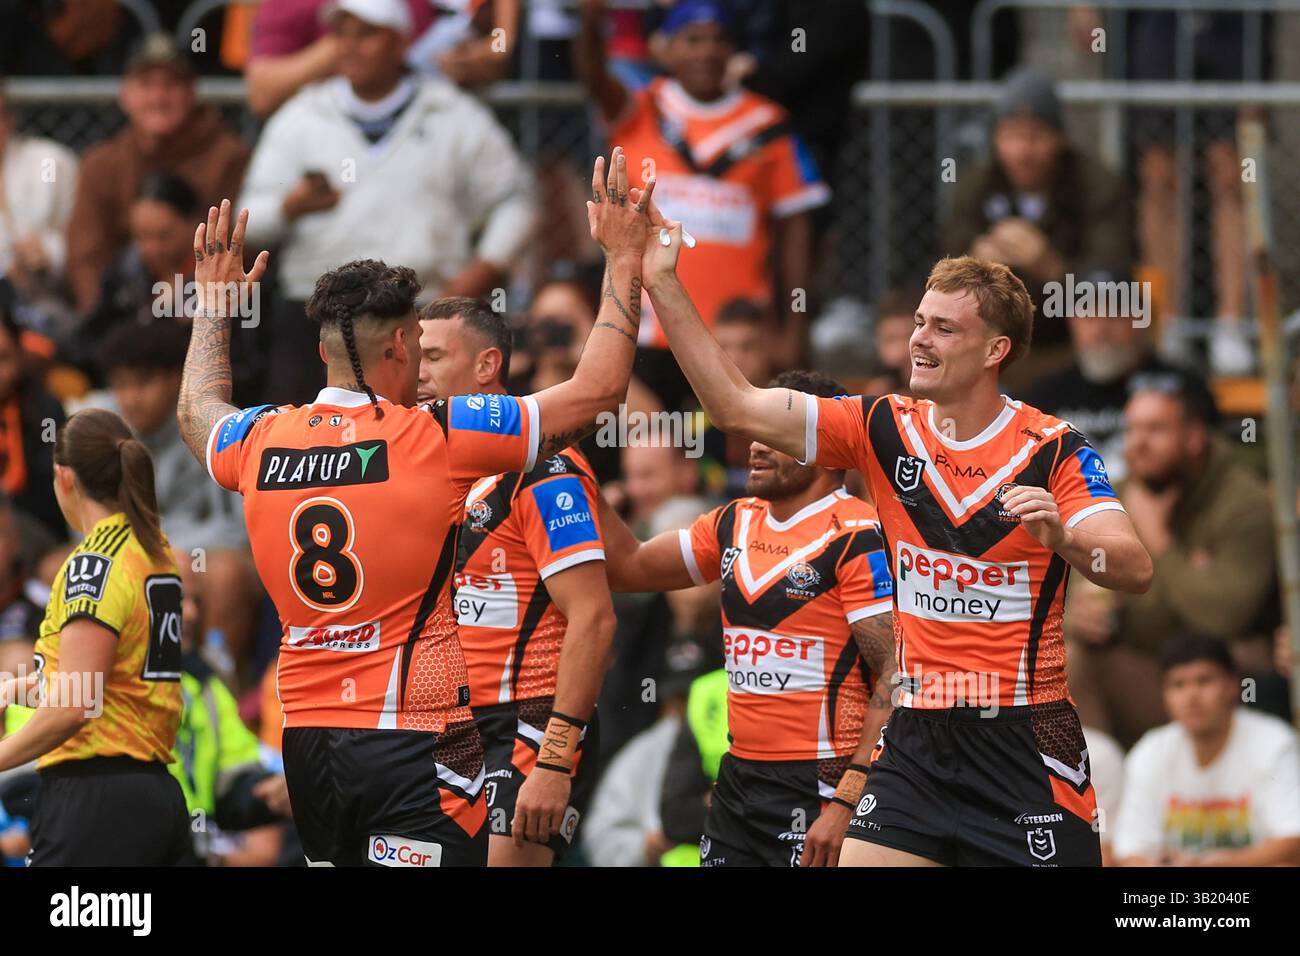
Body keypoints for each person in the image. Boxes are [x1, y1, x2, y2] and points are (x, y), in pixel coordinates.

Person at [177, 150, 658, 865]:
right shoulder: (434, 437)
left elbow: (196, 409)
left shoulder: (260, 440)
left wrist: (214, 307)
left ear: (320, 348)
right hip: (415, 736)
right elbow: (597, 394)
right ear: (402, 344)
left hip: (307, 739)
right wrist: (624, 259)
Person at [638, 201, 1154, 865]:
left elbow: (1133, 567)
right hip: (917, 740)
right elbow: (733, 404)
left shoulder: (1053, 449)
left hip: (1021, 739)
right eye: (918, 322)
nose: (919, 339)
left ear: (996, 349)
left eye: (943, 328)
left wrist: (1066, 539)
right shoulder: (881, 427)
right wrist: (661, 279)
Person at [599, 369, 896, 867]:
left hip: (820, 782)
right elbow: (627, 567)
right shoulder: (733, 520)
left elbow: (896, 671)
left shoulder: (858, 534)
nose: (755, 445)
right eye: (753, 430)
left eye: (774, 433)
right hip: (738, 780)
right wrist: (569, 471)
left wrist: (848, 798)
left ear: (825, 442)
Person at [239, 0, 536, 404]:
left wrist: (482, 271)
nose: (350, 46)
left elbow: (517, 199)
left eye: (367, 34)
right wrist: (291, 207)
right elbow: (248, 222)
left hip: (420, 317)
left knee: (421, 448)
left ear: (400, 43)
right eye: (341, 33)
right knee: (311, 452)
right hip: (316, 322)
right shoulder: (300, 117)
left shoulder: (451, 114)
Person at [417, 296, 616, 866]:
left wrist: (554, 760)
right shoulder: (435, 460)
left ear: (486, 366)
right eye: (415, 358)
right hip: (447, 722)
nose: (420, 373)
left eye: (433, 356)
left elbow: (595, 616)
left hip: (527, 718)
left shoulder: (543, 468)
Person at [577, 0, 829, 403]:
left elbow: (795, 228)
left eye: (718, 39)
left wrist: (792, 327)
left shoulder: (767, 124)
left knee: (725, 448)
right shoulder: (642, 107)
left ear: (733, 50)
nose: (707, 51)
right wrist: (591, 22)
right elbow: (593, 78)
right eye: (693, 39)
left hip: (733, 333)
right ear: (667, 49)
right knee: (654, 450)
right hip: (646, 326)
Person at [0, 408, 189, 865]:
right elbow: (113, 676)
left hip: (95, 800)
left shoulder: (93, 563)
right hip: (155, 795)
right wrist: (22, 688)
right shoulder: (154, 553)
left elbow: (76, 704)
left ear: (63, 476)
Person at [1068, 371, 1275, 747]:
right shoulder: (1118, 496)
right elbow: (1075, 587)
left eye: (1155, 430)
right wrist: (1078, 615)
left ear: (1194, 438)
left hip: (1223, 680)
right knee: (1071, 657)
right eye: (1132, 430)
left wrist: (1160, 542)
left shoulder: (1245, 504)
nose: (1138, 444)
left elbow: (1223, 618)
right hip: (1149, 671)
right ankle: (1097, 787)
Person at [96, 319, 262, 681]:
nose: (130, 398)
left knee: (226, 574)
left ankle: (218, 694)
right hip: (133, 551)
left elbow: (240, 526)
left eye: (143, 383)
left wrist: (172, 552)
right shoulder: (102, 428)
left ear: (175, 380)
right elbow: (87, 522)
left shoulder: (215, 425)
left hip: (205, 559)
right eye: (120, 385)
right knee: (55, 566)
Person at [941, 68, 1134, 356]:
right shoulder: (976, 186)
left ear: (1060, 138)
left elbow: (1113, 280)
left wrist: (1050, 266)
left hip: (1070, 343)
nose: (1023, 152)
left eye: (1035, 137)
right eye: (1011, 137)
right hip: (990, 343)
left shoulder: (1096, 186)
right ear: (995, 140)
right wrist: (973, 264)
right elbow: (940, 266)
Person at [65, 34, 249, 313]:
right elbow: (85, 256)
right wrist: (102, 323)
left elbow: (238, 248)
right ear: (125, 96)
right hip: (122, 312)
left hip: (205, 307)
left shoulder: (229, 157)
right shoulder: (100, 163)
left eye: (171, 85)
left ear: (192, 93)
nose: (158, 97)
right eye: (146, 85)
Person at [1113, 635, 1300, 866]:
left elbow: (1294, 842)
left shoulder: (1274, 742)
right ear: (1164, 695)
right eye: (1178, 685)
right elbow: (1129, 853)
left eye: (1204, 681)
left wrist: (1218, 864)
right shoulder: (1150, 751)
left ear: (1232, 685)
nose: (1192, 696)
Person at [1018, 265, 1208, 482]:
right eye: (1088, 314)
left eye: (1113, 314)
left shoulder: (1181, 389)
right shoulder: (1043, 397)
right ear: (1072, 323)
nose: (1100, 330)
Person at [0, 88, 78, 301]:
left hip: (44, 289)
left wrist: (50, 251)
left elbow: (75, 227)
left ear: (10, 119)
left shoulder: (47, 161)